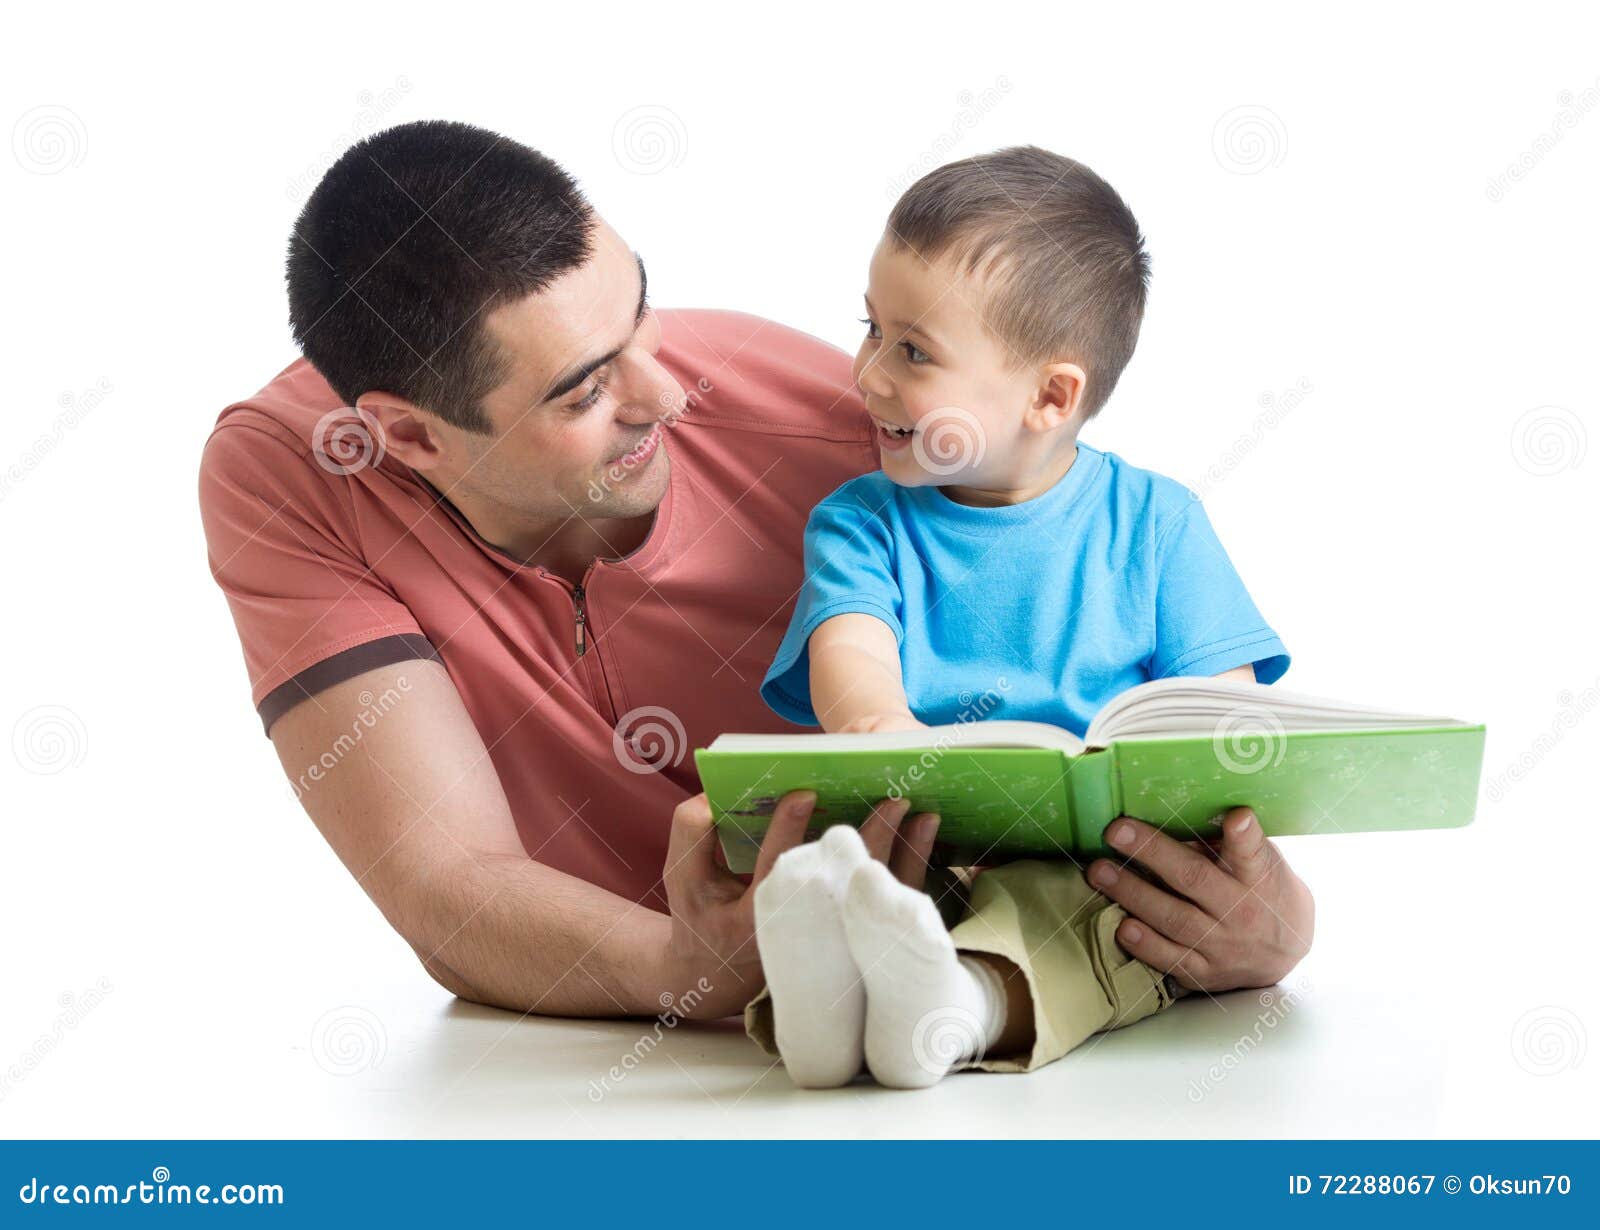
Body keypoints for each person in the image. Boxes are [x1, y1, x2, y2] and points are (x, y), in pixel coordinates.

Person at [197, 120, 1314, 1032]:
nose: (667, 395)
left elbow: (1150, 683)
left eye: (642, 314)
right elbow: (446, 884)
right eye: (586, 391)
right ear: (411, 437)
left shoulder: (860, 438)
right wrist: (692, 969)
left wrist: (1270, 922)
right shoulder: (293, 469)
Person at [747, 147, 1305, 1087]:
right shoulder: (861, 521)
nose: (869, 375)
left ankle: (962, 1010)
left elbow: (1218, 725)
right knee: (847, 878)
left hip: (1093, 868)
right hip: (919, 829)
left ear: (1051, 396)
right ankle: (821, 1013)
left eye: (913, 351)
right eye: (870, 328)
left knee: (1070, 918)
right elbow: (855, 661)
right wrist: (887, 732)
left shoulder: (1158, 524)